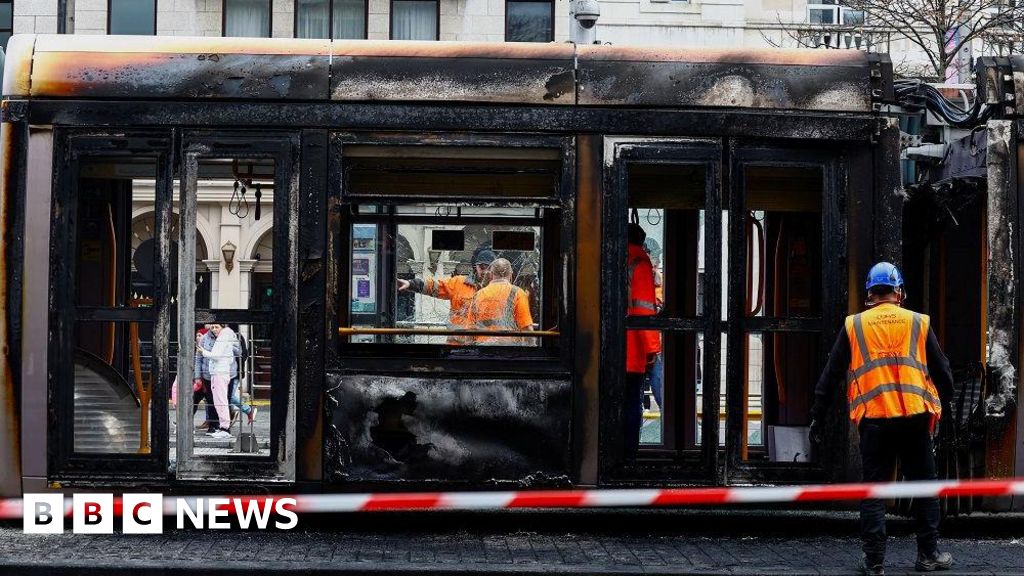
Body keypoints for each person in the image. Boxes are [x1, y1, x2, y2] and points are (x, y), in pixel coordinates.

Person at [810, 262, 955, 576]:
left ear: (868, 295)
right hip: (916, 419)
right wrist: (949, 402)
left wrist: (817, 416)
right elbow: (942, 371)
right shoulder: (918, 322)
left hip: (875, 420)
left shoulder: (855, 325)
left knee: (874, 489)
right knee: (925, 486)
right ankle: (928, 555)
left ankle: (874, 561)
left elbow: (831, 374)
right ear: (899, 291)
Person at [398, 248, 496, 343]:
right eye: (482, 267)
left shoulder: (499, 291)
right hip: (457, 347)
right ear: (475, 267)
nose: (485, 271)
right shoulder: (459, 283)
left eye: (490, 268)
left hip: (485, 347)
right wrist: (411, 284)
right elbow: (435, 286)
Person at [625, 224, 661, 455]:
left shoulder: (604, 254)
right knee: (631, 404)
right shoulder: (639, 260)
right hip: (632, 349)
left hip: (604, 348)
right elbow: (644, 310)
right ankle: (627, 456)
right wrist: (652, 349)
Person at [466, 258, 533, 345]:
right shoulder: (518, 293)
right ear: (511, 274)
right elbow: (527, 329)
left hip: (482, 349)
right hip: (508, 350)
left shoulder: (478, 295)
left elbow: (470, 330)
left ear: (491, 274)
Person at [198, 324, 240, 439]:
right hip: (220, 372)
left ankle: (224, 428)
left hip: (219, 372)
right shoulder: (226, 336)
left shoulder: (223, 338)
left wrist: (203, 351)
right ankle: (223, 427)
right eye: (212, 328)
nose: (214, 330)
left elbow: (216, 355)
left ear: (222, 327)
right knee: (220, 401)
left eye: (216, 327)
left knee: (220, 401)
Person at [227, 325, 256, 426]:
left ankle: (247, 410)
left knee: (229, 395)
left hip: (235, 373)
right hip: (229, 372)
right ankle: (229, 416)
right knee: (227, 395)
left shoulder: (236, 337)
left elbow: (243, 354)